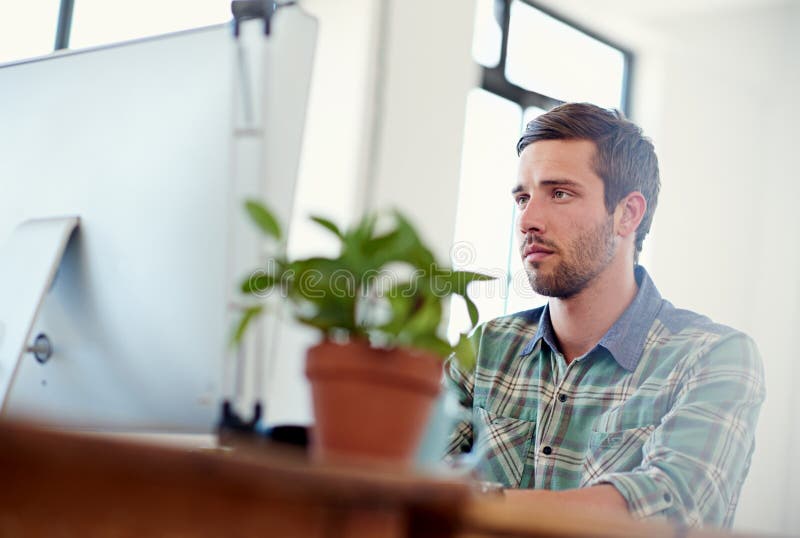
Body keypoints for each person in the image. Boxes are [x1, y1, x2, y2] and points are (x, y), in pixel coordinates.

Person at [445, 102, 765, 529]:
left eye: (559, 193)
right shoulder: (486, 349)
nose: (527, 220)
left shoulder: (714, 358)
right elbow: (405, 483)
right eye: (523, 197)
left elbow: (668, 514)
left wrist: (472, 503)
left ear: (628, 214)